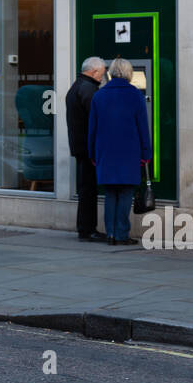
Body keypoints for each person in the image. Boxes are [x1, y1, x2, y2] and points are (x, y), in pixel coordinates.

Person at [88, 56, 151, 246]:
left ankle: (110, 234)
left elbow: (92, 128)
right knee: (125, 193)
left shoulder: (99, 95)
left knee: (110, 194)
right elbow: (143, 128)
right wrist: (146, 154)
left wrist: (92, 153)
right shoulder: (135, 95)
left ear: (111, 72)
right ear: (129, 73)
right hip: (129, 153)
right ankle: (122, 234)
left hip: (105, 153)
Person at [66, 57, 107, 242]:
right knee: (88, 190)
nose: (103, 76)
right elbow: (97, 117)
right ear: (93, 72)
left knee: (86, 188)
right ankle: (87, 229)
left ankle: (85, 228)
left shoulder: (77, 86)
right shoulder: (88, 89)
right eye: (102, 72)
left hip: (80, 146)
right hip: (87, 147)